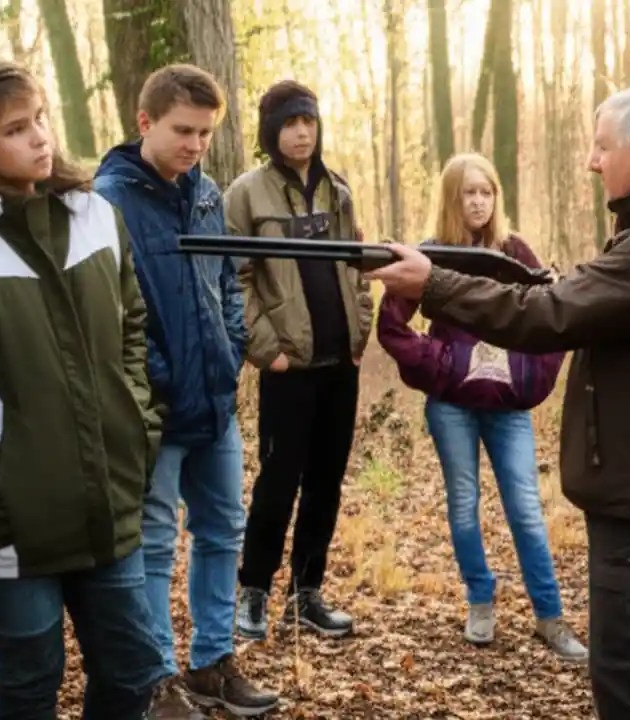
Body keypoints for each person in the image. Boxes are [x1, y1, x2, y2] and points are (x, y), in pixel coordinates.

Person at [366, 86, 630, 720]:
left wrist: (432, 282)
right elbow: (578, 298)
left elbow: (548, 315)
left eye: (602, 146)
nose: (592, 161)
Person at [0, 55, 171, 720]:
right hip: (10, 513)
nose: (39, 137)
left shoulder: (94, 214)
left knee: (134, 668)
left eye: (41, 120)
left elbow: (132, 327)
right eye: (15, 129)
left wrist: (136, 426)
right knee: (31, 674)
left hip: (109, 495)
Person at [93, 64, 279, 719]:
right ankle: (157, 679)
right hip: (154, 410)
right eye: (183, 130)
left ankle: (210, 665)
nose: (196, 144)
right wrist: (154, 383)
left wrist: (228, 357)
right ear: (144, 122)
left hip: (216, 399)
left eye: (205, 132)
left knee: (224, 530)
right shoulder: (107, 201)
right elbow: (110, 315)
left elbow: (229, 283)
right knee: (152, 543)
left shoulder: (207, 194)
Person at [377, 153, 587, 661]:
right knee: (463, 506)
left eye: (486, 191)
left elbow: (553, 318)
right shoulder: (430, 256)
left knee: (526, 511)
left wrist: (528, 378)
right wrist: (443, 363)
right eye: (468, 192)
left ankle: (550, 617)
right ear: (452, 198)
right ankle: (480, 602)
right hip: (451, 406)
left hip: (508, 409)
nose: (478, 201)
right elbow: (393, 326)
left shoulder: (514, 252)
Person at [223, 80, 372, 641]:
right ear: (271, 131)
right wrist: (268, 352)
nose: (301, 132)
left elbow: (358, 263)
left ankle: (306, 593)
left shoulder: (338, 189)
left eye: (307, 120)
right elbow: (235, 278)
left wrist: (360, 333)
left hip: (340, 364)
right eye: (289, 123)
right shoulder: (247, 194)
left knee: (326, 482)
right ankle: (254, 590)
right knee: (278, 481)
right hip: (289, 368)